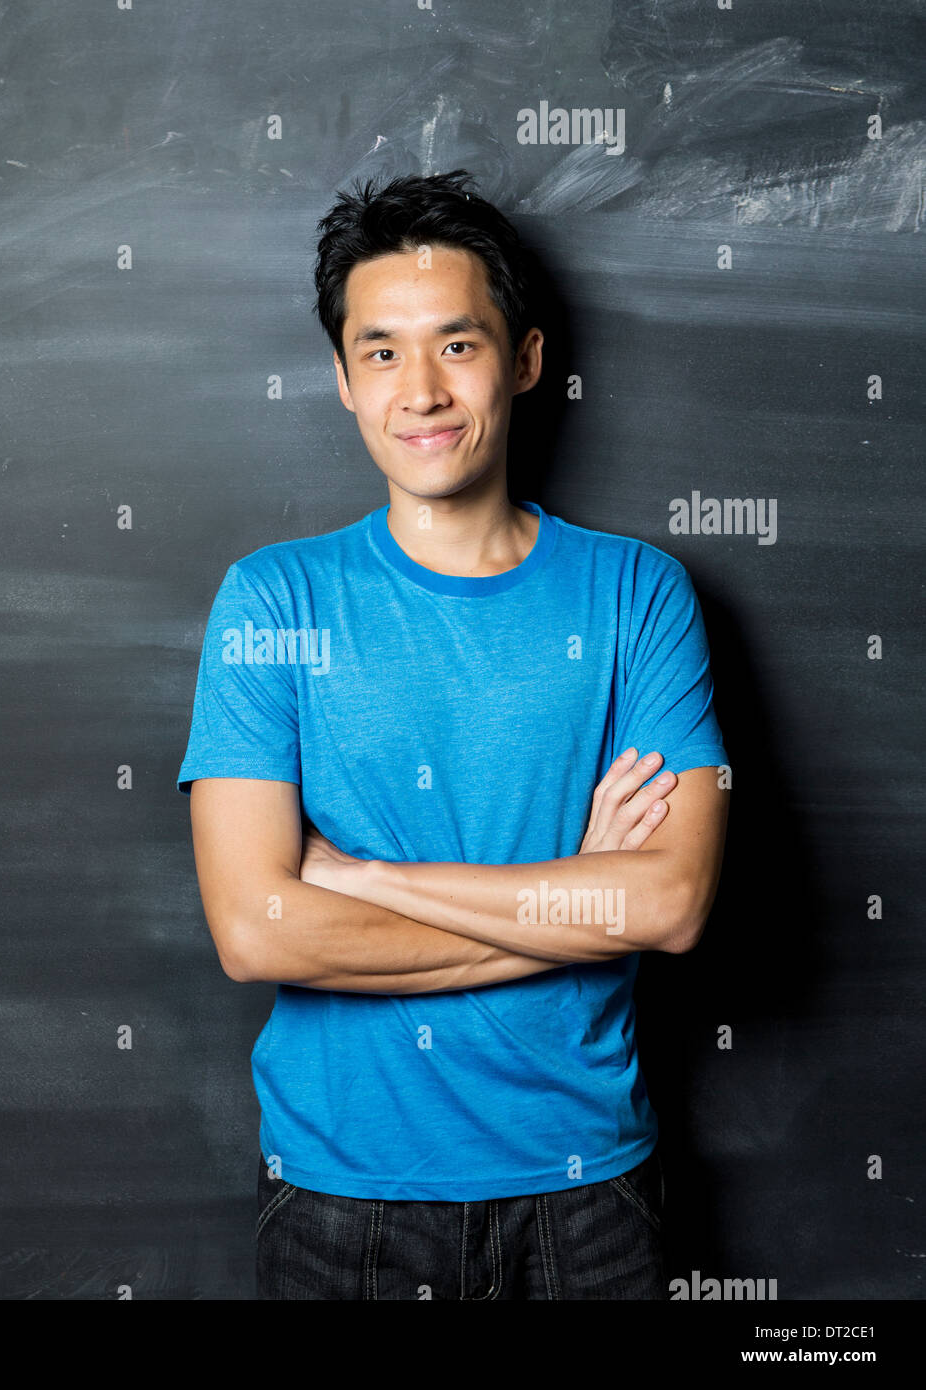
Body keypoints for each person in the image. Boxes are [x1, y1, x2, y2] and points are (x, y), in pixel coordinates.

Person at [176, 169, 729, 1300]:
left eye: (456, 345)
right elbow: (257, 930)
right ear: (341, 379)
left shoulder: (638, 596)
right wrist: (582, 907)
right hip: (345, 1197)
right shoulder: (273, 603)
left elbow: (670, 904)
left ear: (524, 360)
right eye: (380, 351)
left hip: (590, 1195)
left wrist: (369, 877)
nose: (420, 390)